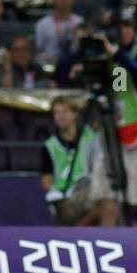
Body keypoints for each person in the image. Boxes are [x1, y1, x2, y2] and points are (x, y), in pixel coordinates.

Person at [88, 18, 137, 227]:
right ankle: (109, 241)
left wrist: (118, 55)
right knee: (109, 191)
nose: (123, 32)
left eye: (127, 27)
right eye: (119, 27)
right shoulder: (119, 62)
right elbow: (121, 90)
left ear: (135, 29)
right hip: (121, 130)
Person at [41, 97, 100, 227]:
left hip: (89, 188)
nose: (60, 117)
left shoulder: (90, 136)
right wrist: (54, 191)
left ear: (75, 115)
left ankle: (77, 230)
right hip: (65, 196)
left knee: (104, 201)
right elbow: (46, 179)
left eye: (65, 112)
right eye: (57, 113)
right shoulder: (50, 145)